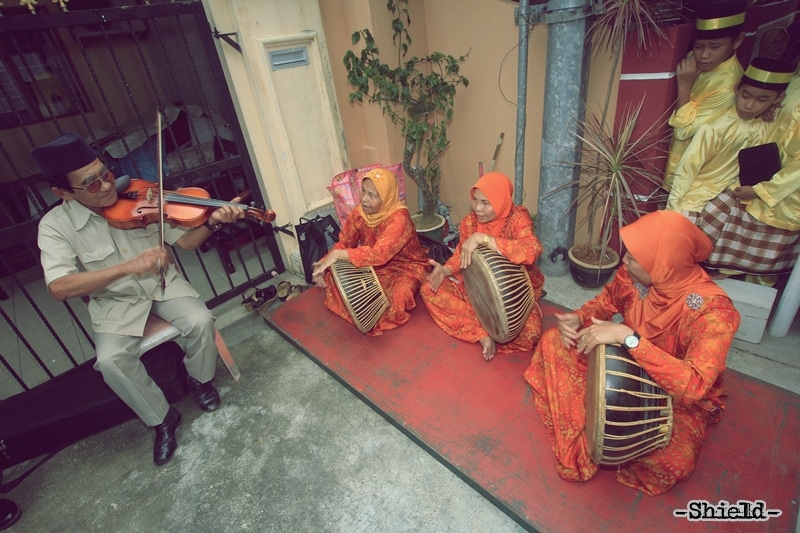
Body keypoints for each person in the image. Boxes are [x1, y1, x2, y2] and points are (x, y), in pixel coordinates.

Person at [33, 132, 246, 466]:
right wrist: (128, 267)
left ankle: (199, 379)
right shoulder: (54, 227)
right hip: (113, 302)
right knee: (111, 361)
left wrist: (214, 223)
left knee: (200, 321)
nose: (106, 186)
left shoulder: (139, 193)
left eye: (105, 174)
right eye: (91, 184)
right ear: (62, 192)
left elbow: (188, 243)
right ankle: (161, 418)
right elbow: (59, 287)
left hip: (160, 284)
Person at [524, 210, 740, 496]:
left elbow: (694, 386)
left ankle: (588, 422)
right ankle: (594, 427)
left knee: (673, 462)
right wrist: (579, 318)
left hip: (670, 395)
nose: (624, 261)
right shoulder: (633, 274)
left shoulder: (714, 312)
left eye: (634, 258)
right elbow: (605, 303)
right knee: (554, 341)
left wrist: (629, 338)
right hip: (621, 364)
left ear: (663, 263)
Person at [420, 172, 545, 360]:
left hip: (511, 296)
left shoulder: (517, 218)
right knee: (429, 289)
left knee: (531, 334)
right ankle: (482, 333)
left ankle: (480, 324)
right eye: (475, 200)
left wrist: (483, 238)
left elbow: (531, 249)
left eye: (486, 203)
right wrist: (445, 270)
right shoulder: (469, 222)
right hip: (475, 287)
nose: (478, 208)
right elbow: (462, 253)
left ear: (500, 200)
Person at [666, 57, 793, 213]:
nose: (749, 105)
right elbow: (688, 167)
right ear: (737, 88)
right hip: (693, 200)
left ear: (778, 99)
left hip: (728, 196)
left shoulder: (766, 124)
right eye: (745, 96)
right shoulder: (715, 127)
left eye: (761, 100)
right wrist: (673, 209)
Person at [311, 167, 427, 335]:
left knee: (398, 297)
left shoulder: (399, 219)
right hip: (371, 266)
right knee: (331, 276)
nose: (364, 199)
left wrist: (338, 255)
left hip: (405, 267)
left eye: (372, 195)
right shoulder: (360, 213)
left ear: (386, 197)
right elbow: (344, 243)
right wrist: (324, 262)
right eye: (363, 191)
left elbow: (379, 254)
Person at [663, 3, 746, 191]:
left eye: (715, 47)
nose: (704, 55)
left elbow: (684, 132)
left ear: (737, 41)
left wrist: (684, 86)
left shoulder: (729, 86)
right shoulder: (695, 58)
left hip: (690, 175)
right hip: (672, 163)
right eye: (699, 46)